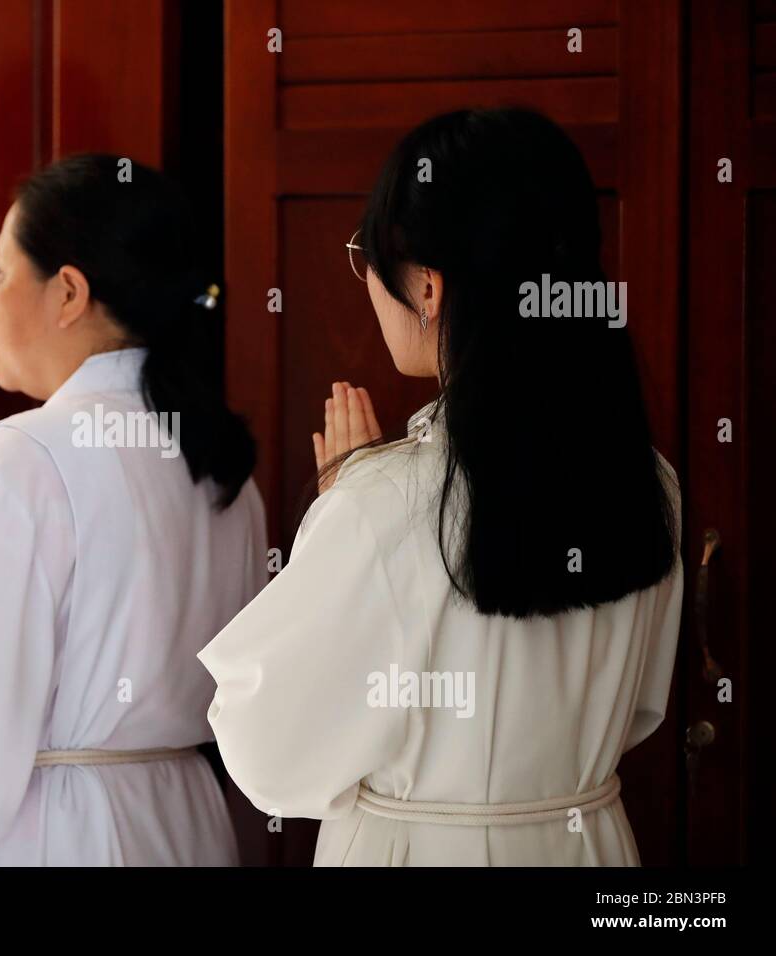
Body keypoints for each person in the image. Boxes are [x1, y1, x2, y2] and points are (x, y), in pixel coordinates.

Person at [198, 108, 684, 866]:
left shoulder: (382, 506)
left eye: (367, 256)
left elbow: (268, 750)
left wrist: (345, 504)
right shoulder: (651, 480)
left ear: (427, 286)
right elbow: (639, 709)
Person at [0, 154, 265, 865]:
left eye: (4, 273)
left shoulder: (27, 457)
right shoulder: (221, 467)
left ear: (67, 292)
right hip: (185, 821)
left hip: (62, 835)